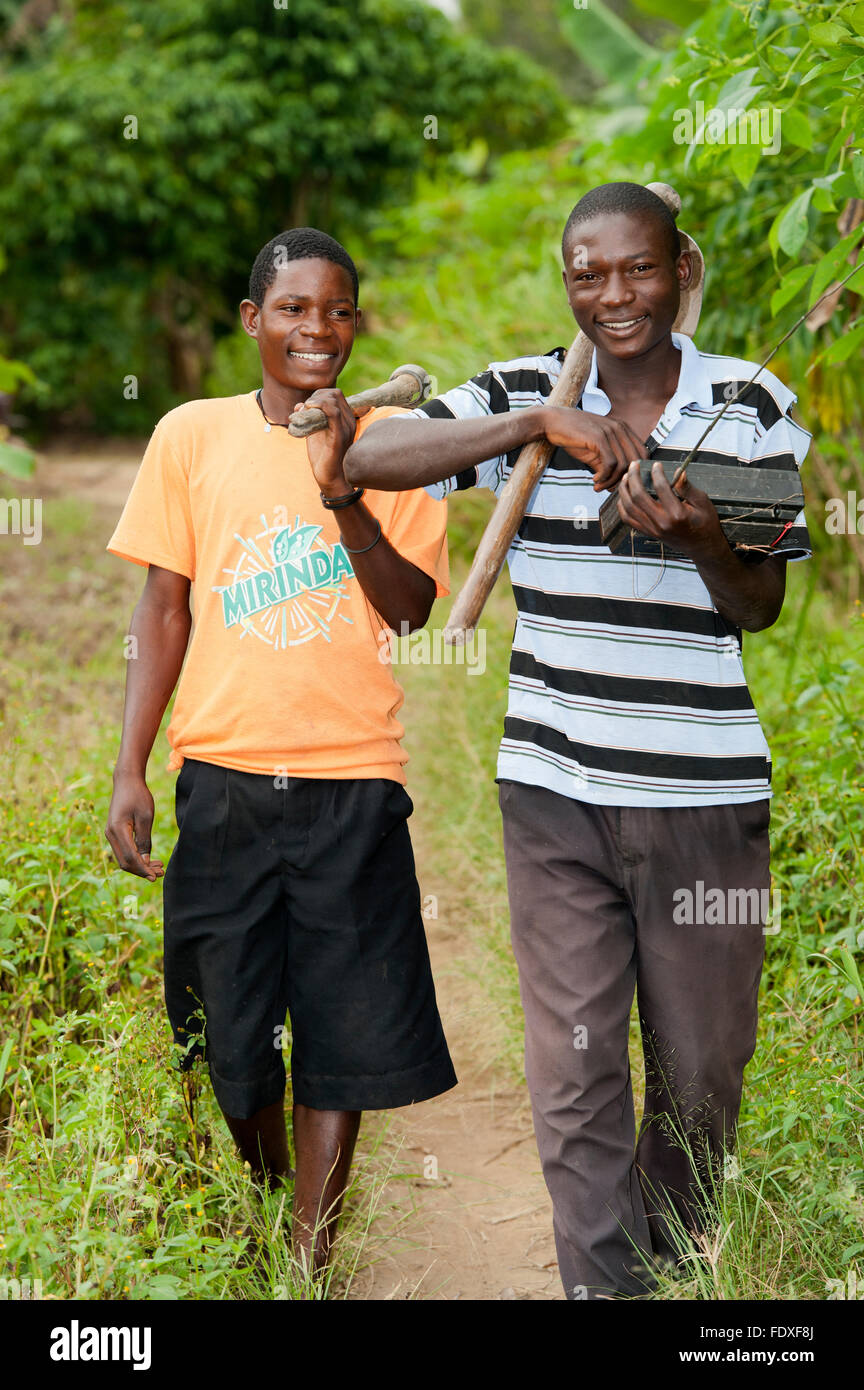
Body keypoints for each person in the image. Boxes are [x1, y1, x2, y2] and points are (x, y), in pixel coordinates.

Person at [344, 182, 812, 1300]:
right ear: (567, 283)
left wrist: (702, 533)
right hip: (552, 787)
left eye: (637, 270)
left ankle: (669, 1271)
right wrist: (536, 426)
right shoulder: (521, 388)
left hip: (704, 796)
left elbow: (760, 608)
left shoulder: (746, 400)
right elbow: (373, 455)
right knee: (575, 1072)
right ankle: (602, 1289)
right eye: (588, 274)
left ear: (679, 270)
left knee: (702, 1078)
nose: (615, 296)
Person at [104, 226, 457, 1282]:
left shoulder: (397, 445)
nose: (319, 329)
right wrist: (129, 767)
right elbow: (164, 607)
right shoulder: (191, 436)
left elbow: (410, 610)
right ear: (254, 320)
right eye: (295, 309)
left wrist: (343, 483)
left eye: (338, 310)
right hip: (223, 782)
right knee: (228, 1037)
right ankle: (270, 1203)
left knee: (345, 1031)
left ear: (359, 325)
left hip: (353, 779)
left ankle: (307, 1254)